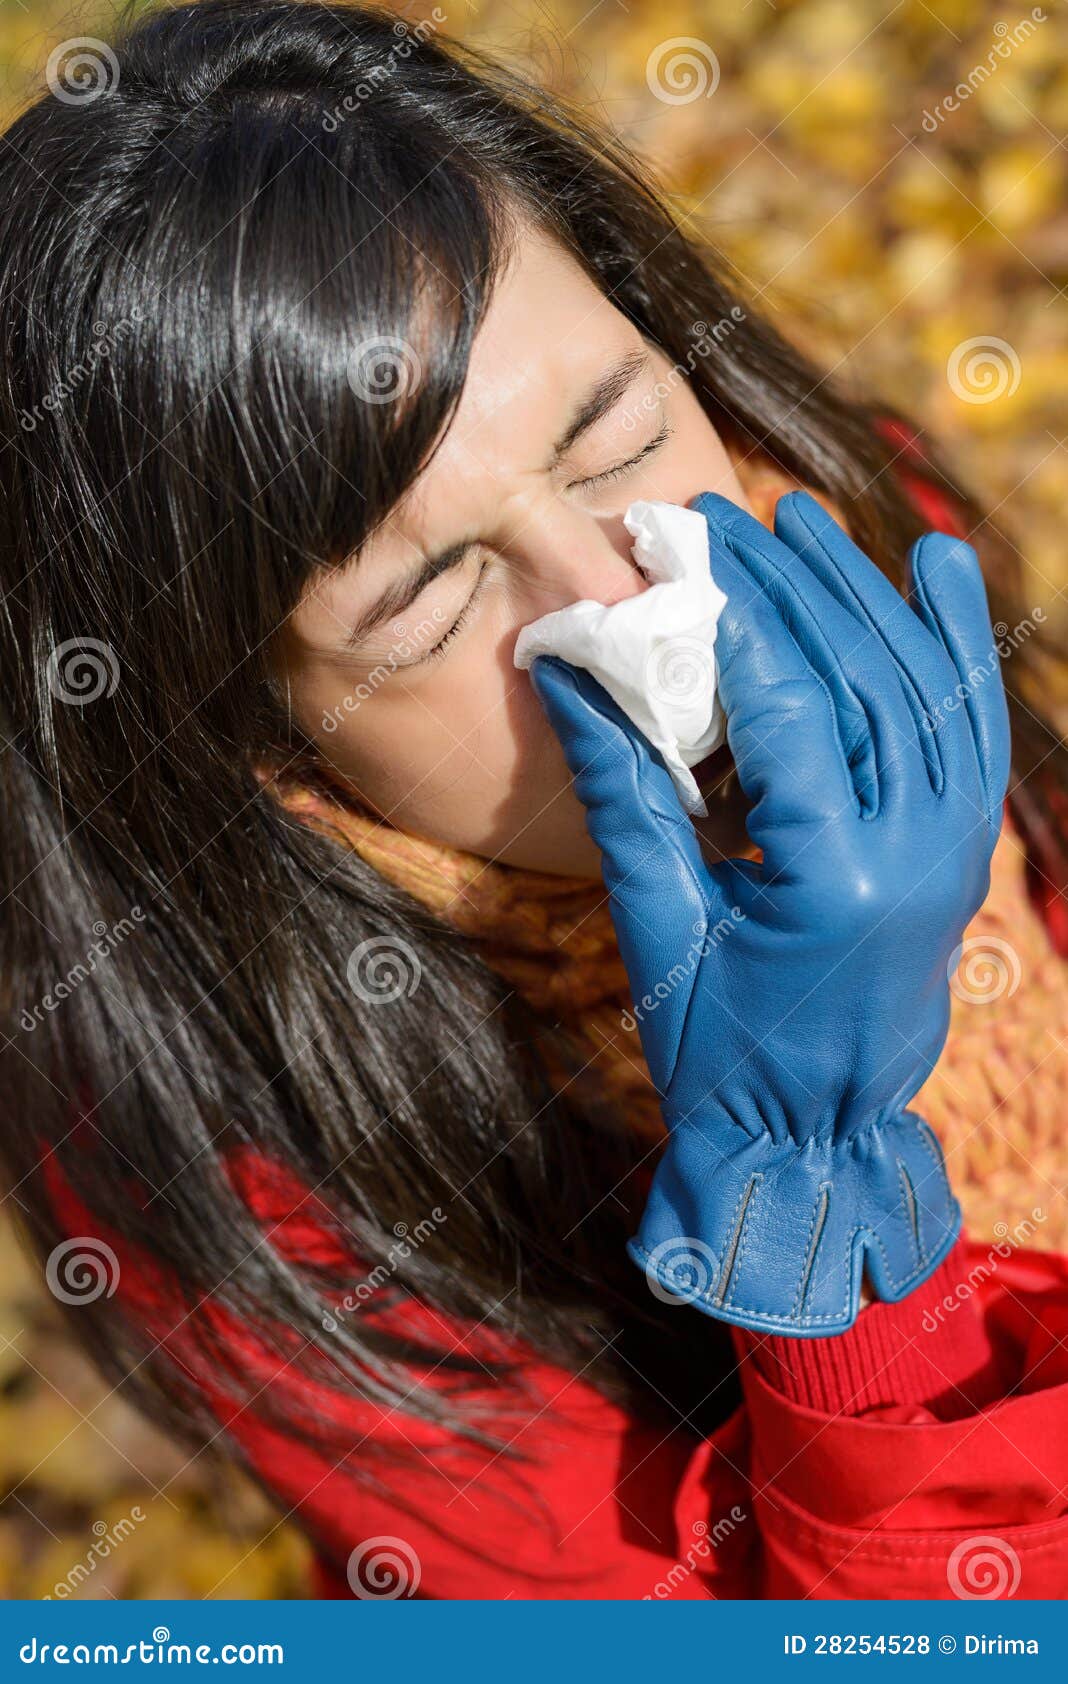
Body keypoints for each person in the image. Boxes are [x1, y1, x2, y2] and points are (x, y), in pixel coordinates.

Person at [1, 0, 1065, 1600]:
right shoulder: (263, 1185)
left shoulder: (843, 532)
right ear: (260, 752)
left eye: (614, 431)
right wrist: (813, 1206)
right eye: (431, 602)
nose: (630, 594)